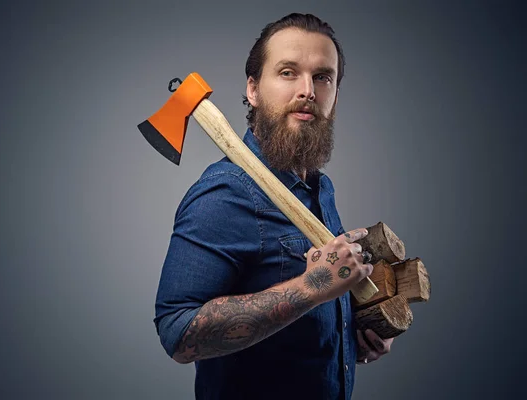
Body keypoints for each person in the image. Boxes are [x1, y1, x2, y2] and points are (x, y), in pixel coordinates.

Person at [153, 12, 395, 399]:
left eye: (323, 77)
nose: (308, 90)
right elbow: (177, 333)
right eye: (287, 72)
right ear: (253, 88)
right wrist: (313, 287)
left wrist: (352, 333)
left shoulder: (319, 188)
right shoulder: (224, 193)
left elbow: (310, 313)